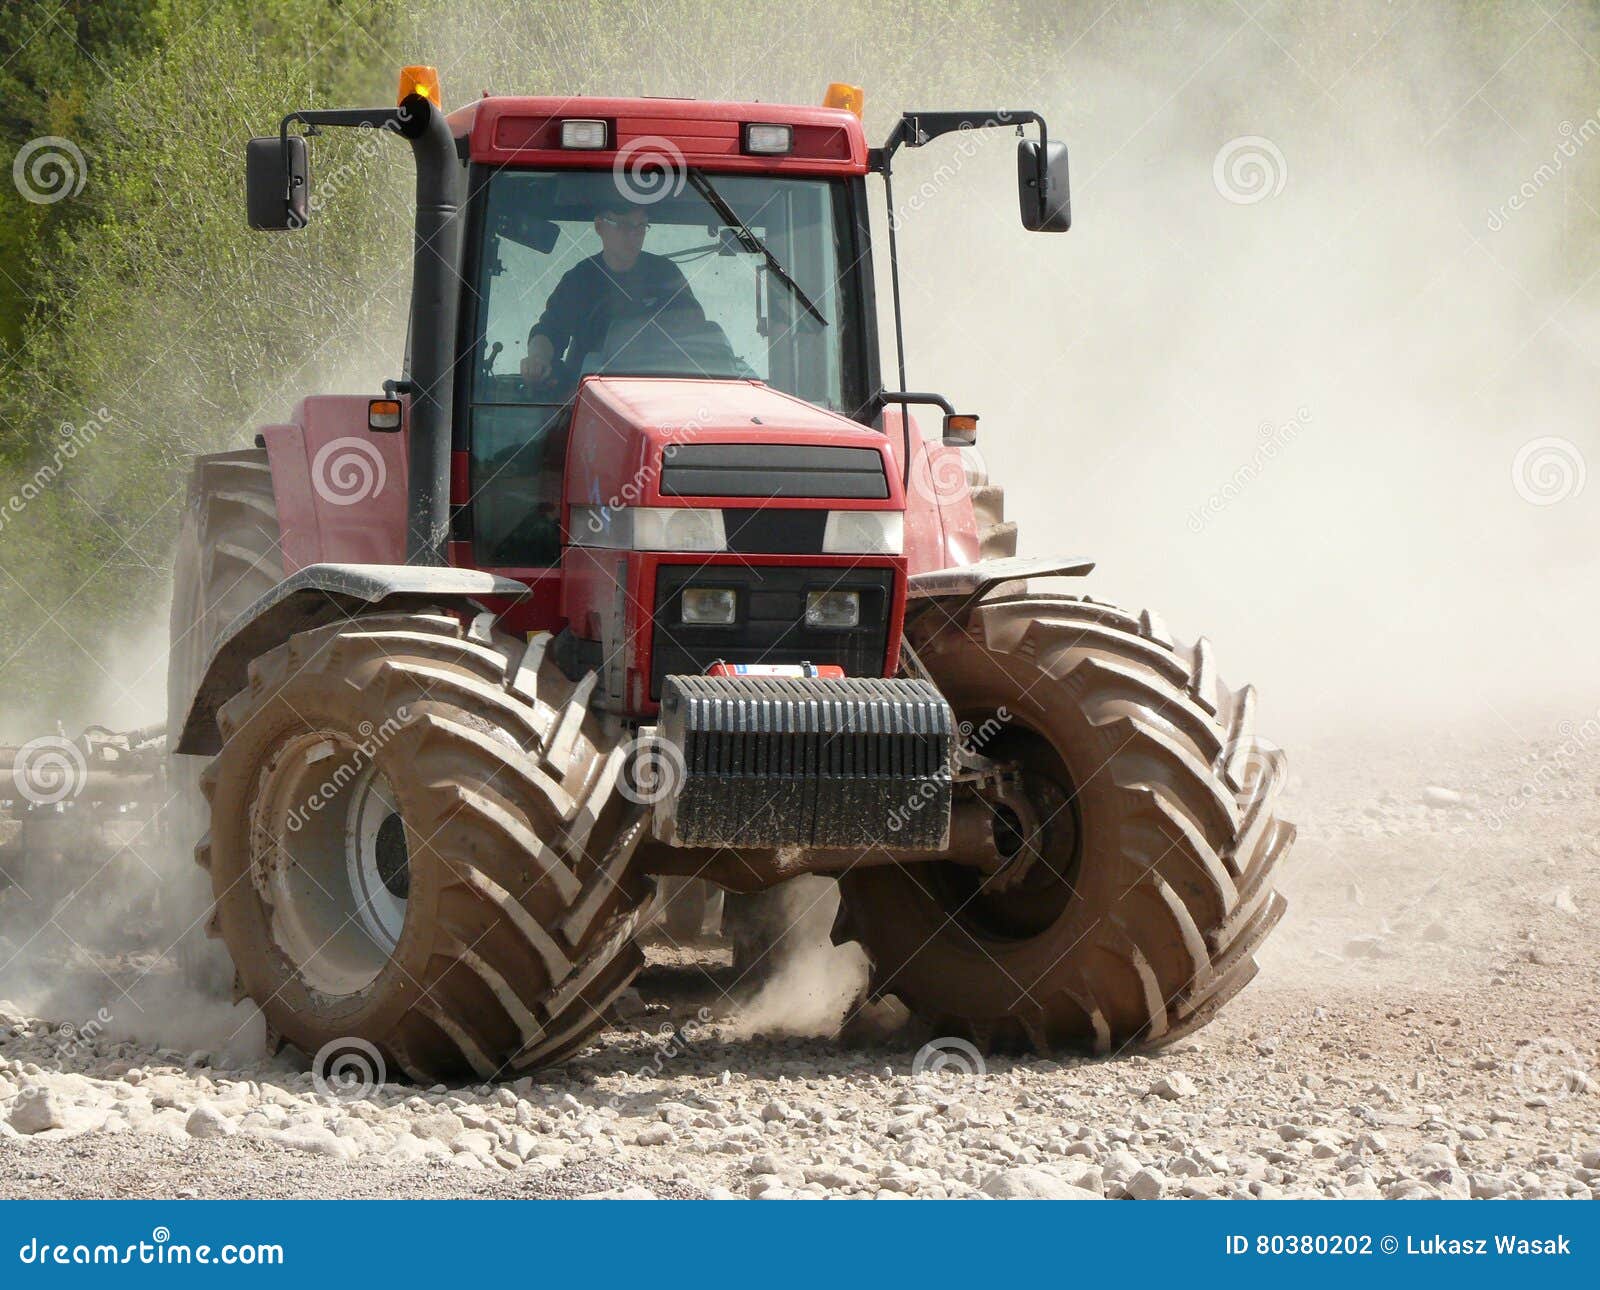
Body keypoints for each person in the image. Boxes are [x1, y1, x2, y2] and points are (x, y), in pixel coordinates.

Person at [520, 199, 705, 388]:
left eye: (640, 226)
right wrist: (537, 359)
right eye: (624, 226)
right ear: (599, 226)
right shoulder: (579, 279)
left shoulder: (666, 275)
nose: (634, 234)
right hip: (587, 396)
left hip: (657, 390)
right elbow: (550, 330)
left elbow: (694, 330)